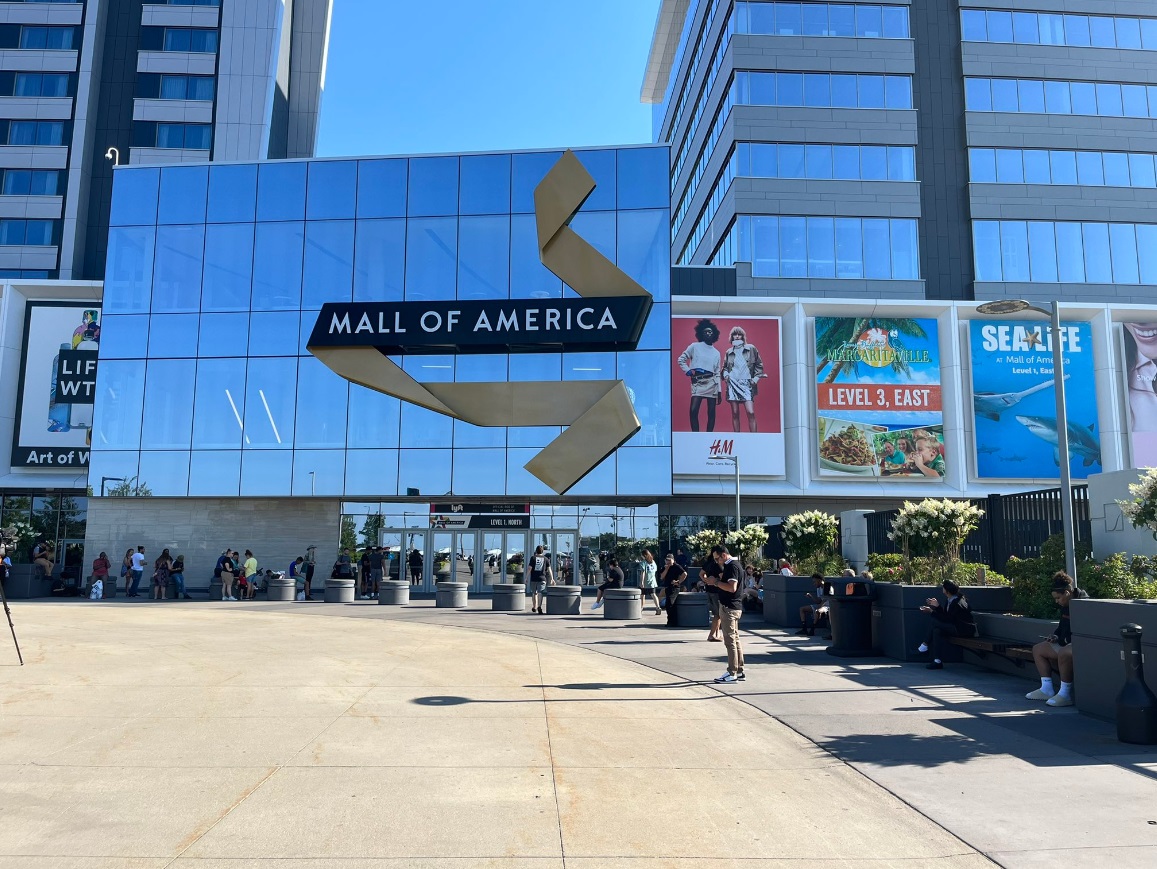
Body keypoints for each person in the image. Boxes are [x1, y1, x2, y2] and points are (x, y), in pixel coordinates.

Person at [1026, 572, 1088, 707]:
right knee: (1038, 649)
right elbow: (1061, 627)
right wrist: (1055, 636)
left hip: (1081, 645)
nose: (1057, 601)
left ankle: (1065, 694)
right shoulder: (1065, 607)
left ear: (1067, 592)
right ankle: (1046, 689)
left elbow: (1084, 630)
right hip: (1065, 643)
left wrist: (1065, 640)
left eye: (1058, 598)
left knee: (1064, 653)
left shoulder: (1083, 604)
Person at [917, 579, 977, 669]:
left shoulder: (957, 602)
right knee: (937, 630)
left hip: (963, 630)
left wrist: (932, 611)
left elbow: (948, 619)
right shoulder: (950, 600)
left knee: (934, 622)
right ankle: (937, 661)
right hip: (955, 627)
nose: (942, 588)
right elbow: (947, 617)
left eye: (943, 587)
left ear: (947, 590)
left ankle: (925, 644)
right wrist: (937, 607)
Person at [707, 545, 745, 683]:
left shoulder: (732, 566)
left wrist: (716, 582)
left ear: (724, 555)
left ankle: (732, 672)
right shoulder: (734, 566)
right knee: (735, 639)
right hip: (732, 606)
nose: (717, 562)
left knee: (730, 641)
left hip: (730, 607)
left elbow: (731, 587)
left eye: (717, 559)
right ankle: (739, 670)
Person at [677, 318, 722, 432]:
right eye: (705, 332)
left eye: (710, 332)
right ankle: (695, 435)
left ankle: (708, 436)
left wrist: (720, 391)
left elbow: (717, 373)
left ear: (714, 334)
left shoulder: (716, 353)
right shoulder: (694, 346)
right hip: (698, 382)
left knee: (711, 413)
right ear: (701, 333)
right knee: (693, 411)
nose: (708, 333)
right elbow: (681, 359)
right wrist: (688, 370)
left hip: (712, 383)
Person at [722, 325, 766, 433]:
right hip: (733, 383)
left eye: (739, 334)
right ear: (732, 337)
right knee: (735, 413)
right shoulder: (729, 352)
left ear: (742, 336)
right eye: (735, 334)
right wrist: (726, 375)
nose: (737, 336)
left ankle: (754, 438)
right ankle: (737, 436)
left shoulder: (751, 348)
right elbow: (724, 368)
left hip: (747, 383)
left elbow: (759, 364)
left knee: (750, 412)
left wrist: (755, 379)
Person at [659, 552, 688, 623]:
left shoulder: (676, 566)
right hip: (667, 587)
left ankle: (672, 621)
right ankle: (671, 620)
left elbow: (684, 573)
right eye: (666, 560)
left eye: (669, 560)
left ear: (673, 560)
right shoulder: (665, 567)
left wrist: (678, 581)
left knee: (670, 604)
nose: (668, 562)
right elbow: (662, 577)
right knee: (669, 604)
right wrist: (666, 569)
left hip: (674, 587)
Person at [702, 553, 723, 642]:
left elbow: (701, 574)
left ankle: (717, 634)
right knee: (718, 615)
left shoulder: (708, 564)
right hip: (717, 591)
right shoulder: (717, 566)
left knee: (716, 613)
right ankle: (711, 635)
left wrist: (706, 581)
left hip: (709, 590)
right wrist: (716, 582)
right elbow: (723, 577)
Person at [527, 545, 552, 614]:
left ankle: (534, 606)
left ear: (536, 550)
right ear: (542, 551)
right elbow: (549, 569)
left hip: (534, 578)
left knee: (534, 593)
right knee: (540, 593)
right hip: (542, 578)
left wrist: (526, 577)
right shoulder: (546, 559)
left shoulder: (533, 558)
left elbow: (529, 568)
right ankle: (539, 606)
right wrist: (552, 578)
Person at [640, 549, 662, 615]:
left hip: (645, 582)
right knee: (653, 594)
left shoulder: (643, 563)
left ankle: (641, 608)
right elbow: (655, 571)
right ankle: (658, 607)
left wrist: (641, 582)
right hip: (652, 581)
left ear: (644, 555)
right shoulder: (653, 562)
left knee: (642, 595)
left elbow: (643, 573)